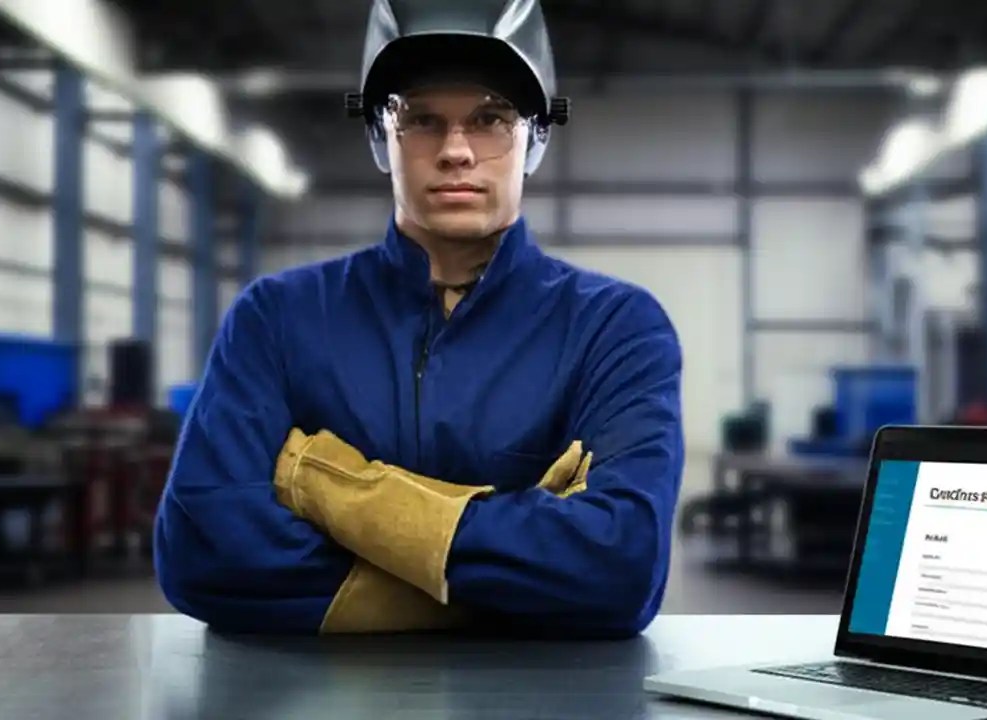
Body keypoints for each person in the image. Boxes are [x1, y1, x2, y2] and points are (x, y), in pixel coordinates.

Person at [152, 0, 685, 639]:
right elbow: (203, 553)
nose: (457, 150)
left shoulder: (615, 329)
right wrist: (524, 577)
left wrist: (331, 490)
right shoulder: (276, 319)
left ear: (537, 137)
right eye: (421, 119)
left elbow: (621, 565)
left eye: (491, 118)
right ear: (379, 135)